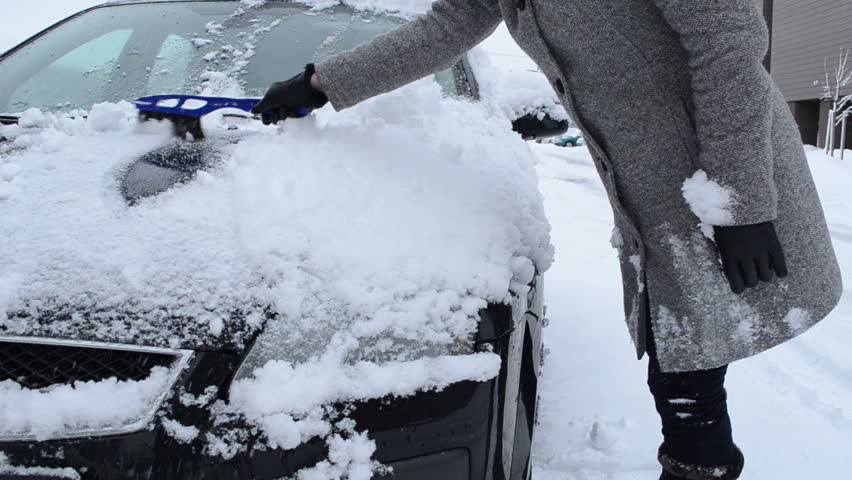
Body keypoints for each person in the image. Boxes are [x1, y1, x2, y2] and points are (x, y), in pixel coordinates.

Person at [251, 1, 843, 479]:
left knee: (686, 362)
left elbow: (729, 43)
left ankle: (700, 464)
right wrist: (320, 83)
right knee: (681, 356)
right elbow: (447, 26)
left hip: (721, 169)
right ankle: (700, 462)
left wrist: (738, 201)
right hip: (650, 193)